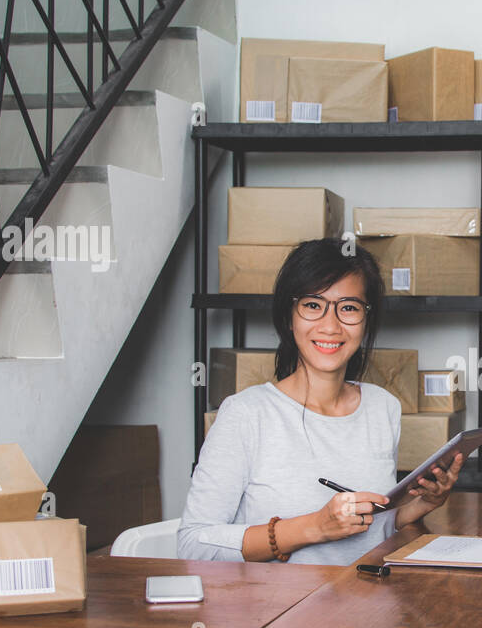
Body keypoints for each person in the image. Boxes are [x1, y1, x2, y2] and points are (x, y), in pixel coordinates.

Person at [177, 238, 464, 565]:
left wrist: (421, 505)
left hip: (365, 603)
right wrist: (314, 527)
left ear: (366, 320)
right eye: (313, 305)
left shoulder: (383, 407)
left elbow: (372, 530)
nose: (330, 326)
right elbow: (193, 545)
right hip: (279, 610)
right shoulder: (246, 414)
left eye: (349, 308)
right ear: (289, 316)